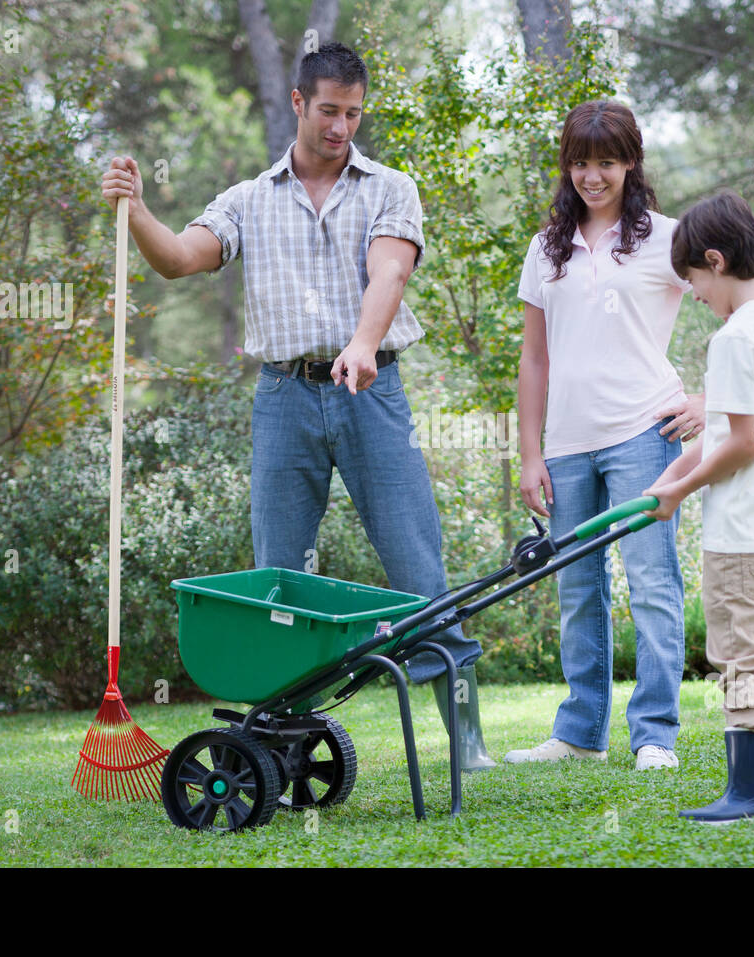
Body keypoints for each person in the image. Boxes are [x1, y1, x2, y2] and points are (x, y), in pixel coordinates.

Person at [100, 42, 494, 769]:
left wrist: (364, 343)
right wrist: (136, 210)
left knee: (418, 566)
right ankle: (278, 748)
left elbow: (390, 270)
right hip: (283, 397)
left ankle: (467, 745)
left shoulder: (389, 187)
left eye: (353, 112)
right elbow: (181, 257)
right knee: (278, 578)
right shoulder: (251, 198)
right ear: (299, 104)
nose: (342, 126)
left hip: (371, 392)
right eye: (330, 111)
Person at [508, 100, 705, 771]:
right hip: (565, 443)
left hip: (643, 433)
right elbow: (534, 358)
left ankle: (654, 734)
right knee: (577, 588)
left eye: (607, 162)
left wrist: (712, 399)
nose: (593, 176)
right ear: (568, 165)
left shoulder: (667, 240)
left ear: (630, 162)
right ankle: (580, 732)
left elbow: (743, 300)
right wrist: (530, 452)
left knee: (651, 582)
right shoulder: (546, 248)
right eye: (582, 162)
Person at [643, 190, 754, 821]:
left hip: (740, 530)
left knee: (741, 656)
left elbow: (743, 442)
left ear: (714, 260)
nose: (694, 296)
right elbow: (730, 432)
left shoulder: (735, 339)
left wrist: (680, 491)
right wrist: (674, 475)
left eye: (692, 281)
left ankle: (750, 791)